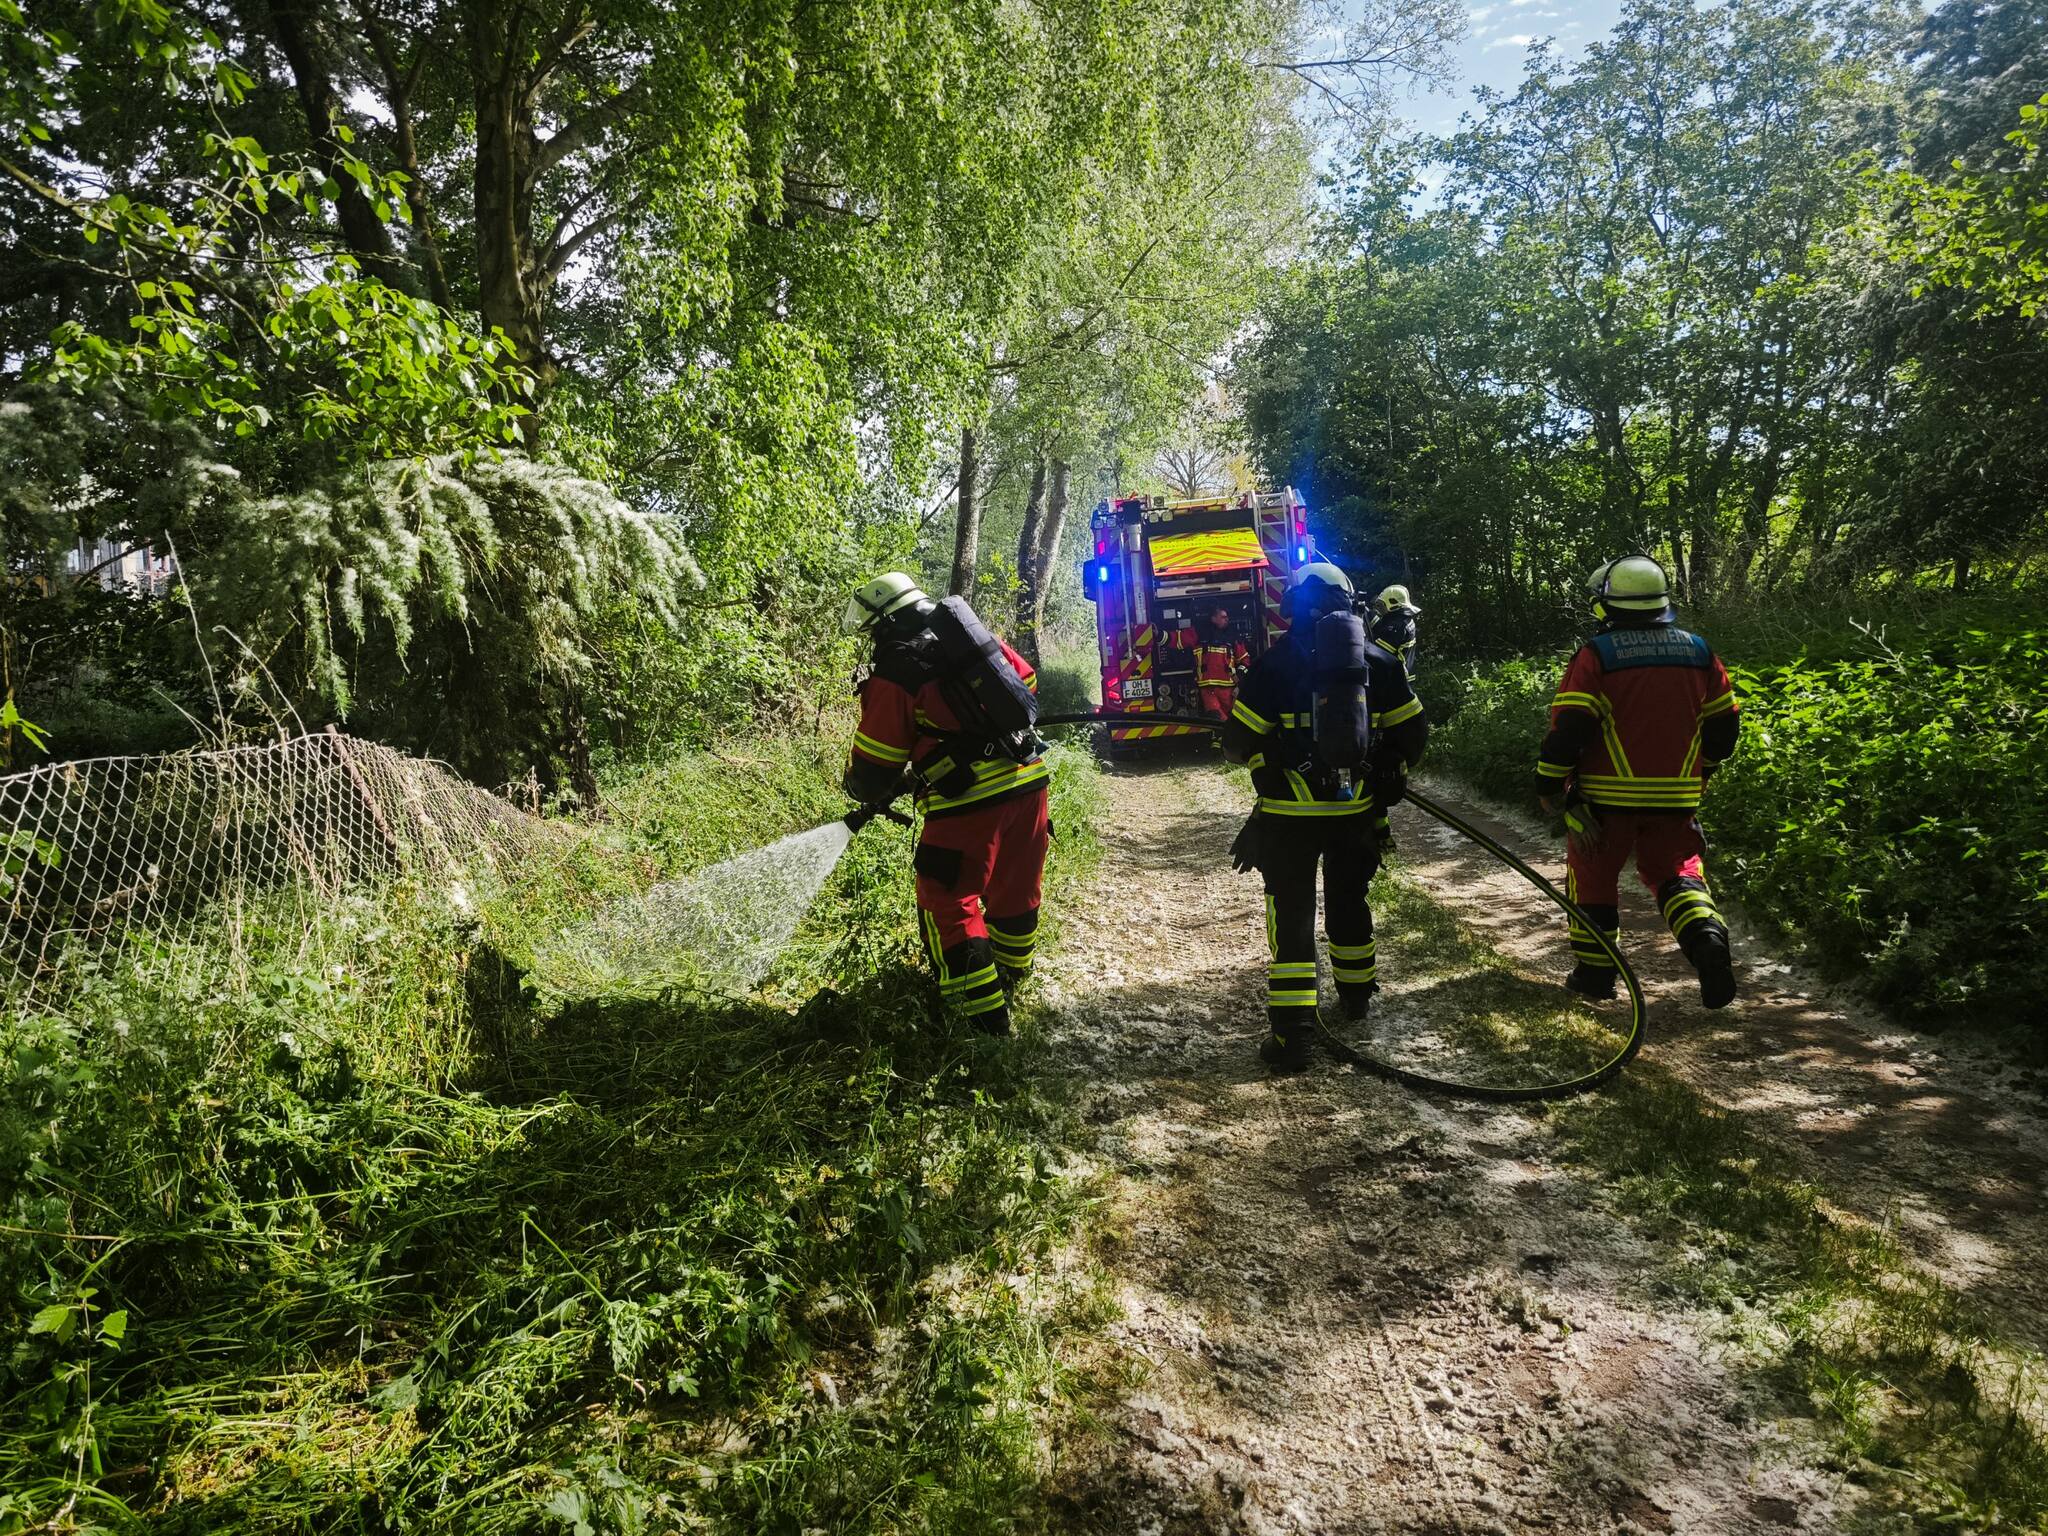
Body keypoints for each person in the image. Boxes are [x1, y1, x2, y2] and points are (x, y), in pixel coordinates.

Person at [1222, 563, 1429, 1071]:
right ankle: (1356, 996)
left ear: (1298, 607)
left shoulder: (1275, 665)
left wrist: (1269, 761)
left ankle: (1292, 1036)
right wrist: (1384, 767)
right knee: (1348, 899)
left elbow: (1237, 742)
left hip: (1287, 817)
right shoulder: (1379, 662)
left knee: (1291, 913)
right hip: (1353, 812)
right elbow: (1414, 735)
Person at [841, 572, 1048, 1036]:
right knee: (1015, 885)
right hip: (1030, 779)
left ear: (886, 622)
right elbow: (1027, 685)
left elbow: (875, 765)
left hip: (969, 801)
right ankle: (1012, 976)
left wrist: (861, 786)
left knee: (947, 900)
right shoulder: (971, 637)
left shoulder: (897, 668)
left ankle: (980, 1025)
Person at [1535, 555, 1740, 1009]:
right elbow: (1724, 731)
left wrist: (1549, 784)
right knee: (1677, 874)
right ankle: (1706, 938)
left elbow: (1571, 727)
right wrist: (1699, 770)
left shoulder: (1598, 655)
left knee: (1593, 881)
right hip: (1676, 798)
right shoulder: (1700, 652)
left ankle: (1596, 975)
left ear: (1608, 606)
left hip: (1605, 801)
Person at [1193, 603, 1250, 721]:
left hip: (1229, 689)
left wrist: (1239, 678)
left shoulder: (1233, 637)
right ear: (1213, 619)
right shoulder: (1199, 634)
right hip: (1208, 689)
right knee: (1218, 718)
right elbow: (1179, 638)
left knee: (1231, 719)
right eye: (1223, 617)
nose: (1227, 619)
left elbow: (1245, 661)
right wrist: (1158, 635)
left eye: (1227, 617)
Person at [1370, 584, 1421, 677]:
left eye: (1382, 605)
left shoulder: (1397, 626)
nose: (1380, 608)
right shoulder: (1402, 619)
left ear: (1393, 605)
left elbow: (1378, 652)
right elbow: (1381, 627)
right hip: (1402, 675)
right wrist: (1368, 614)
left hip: (1398, 679)